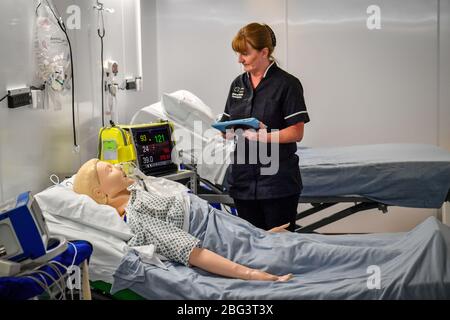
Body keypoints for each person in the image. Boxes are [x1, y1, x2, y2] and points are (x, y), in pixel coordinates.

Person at [73, 159, 293, 282]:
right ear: (100, 194)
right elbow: (190, 251)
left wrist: (256, 234)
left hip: (230, 229)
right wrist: (251, 273)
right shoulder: (136, 217)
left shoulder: (138, 194)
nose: (119, 166)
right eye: (109, 169)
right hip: (218, 238)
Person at [220, 22, 310, 232]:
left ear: (264, 52)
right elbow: (227, 122)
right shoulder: (238, 84)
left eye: (245, 53)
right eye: (238, 53)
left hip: (277, 184)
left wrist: (262, 136)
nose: (239, 59)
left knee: (280, 249)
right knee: (250, 247)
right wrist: (226, 131)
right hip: (242, 182)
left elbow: (297, 132)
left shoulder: (287, 84)